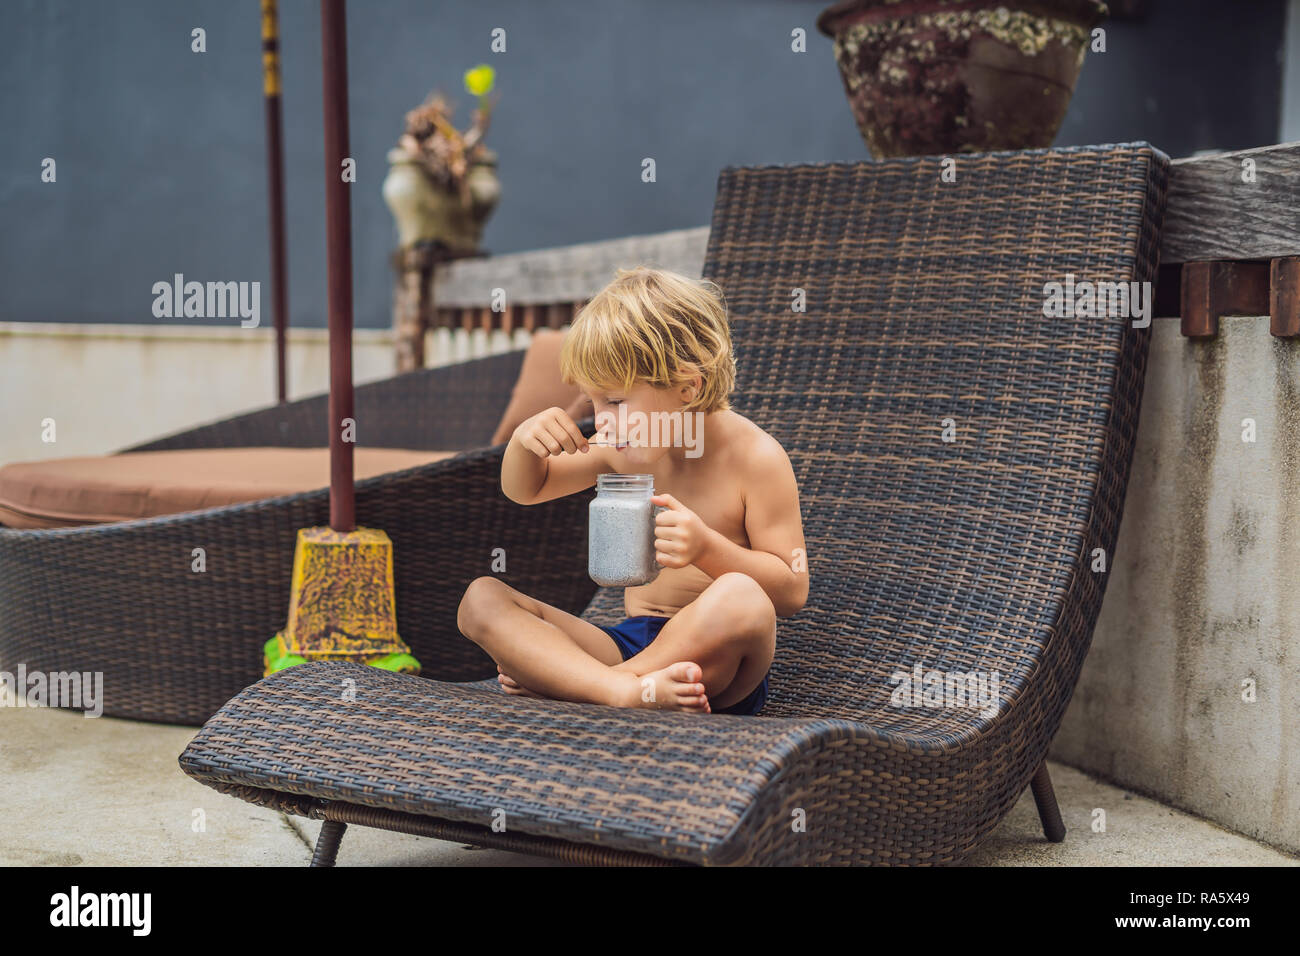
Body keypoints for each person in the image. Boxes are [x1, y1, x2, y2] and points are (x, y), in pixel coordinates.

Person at [456, 266, 808, 714]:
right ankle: (617, 690)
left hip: (710, 662)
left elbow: (791, 592)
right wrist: (525, 443)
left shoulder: (756, 459)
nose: (601, 420)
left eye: (616, 401)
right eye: (593, 401)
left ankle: (587, 685)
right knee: (481, 600)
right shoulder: (621, 446)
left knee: (742, 595)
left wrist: (705, 548)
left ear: (687, 386)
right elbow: (528, 489)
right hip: (629, 645)